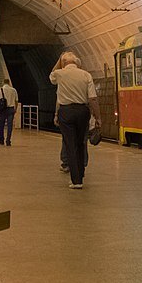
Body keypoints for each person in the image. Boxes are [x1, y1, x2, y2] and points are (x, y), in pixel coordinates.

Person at [50, 51, 101, 190]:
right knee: (80, 142)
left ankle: (76, 180)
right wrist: (98, 117)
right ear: (77, 62)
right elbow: (92, 98)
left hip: (66, 112)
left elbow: (51, 77)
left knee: (70, 144)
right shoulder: (86, 75)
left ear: (63, 62)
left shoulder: (59, 73)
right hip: (83, 111)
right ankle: (81, 174)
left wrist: (59, 61)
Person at [0, 78, 18, 147]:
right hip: (11, 109)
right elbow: (16, 101)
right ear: (9, 82)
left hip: (2, 110)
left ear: (3, 82)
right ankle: (8, 141)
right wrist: (15, 109)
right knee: (10, 126)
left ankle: (1, 141)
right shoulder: (13, 90)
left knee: (1, 125)